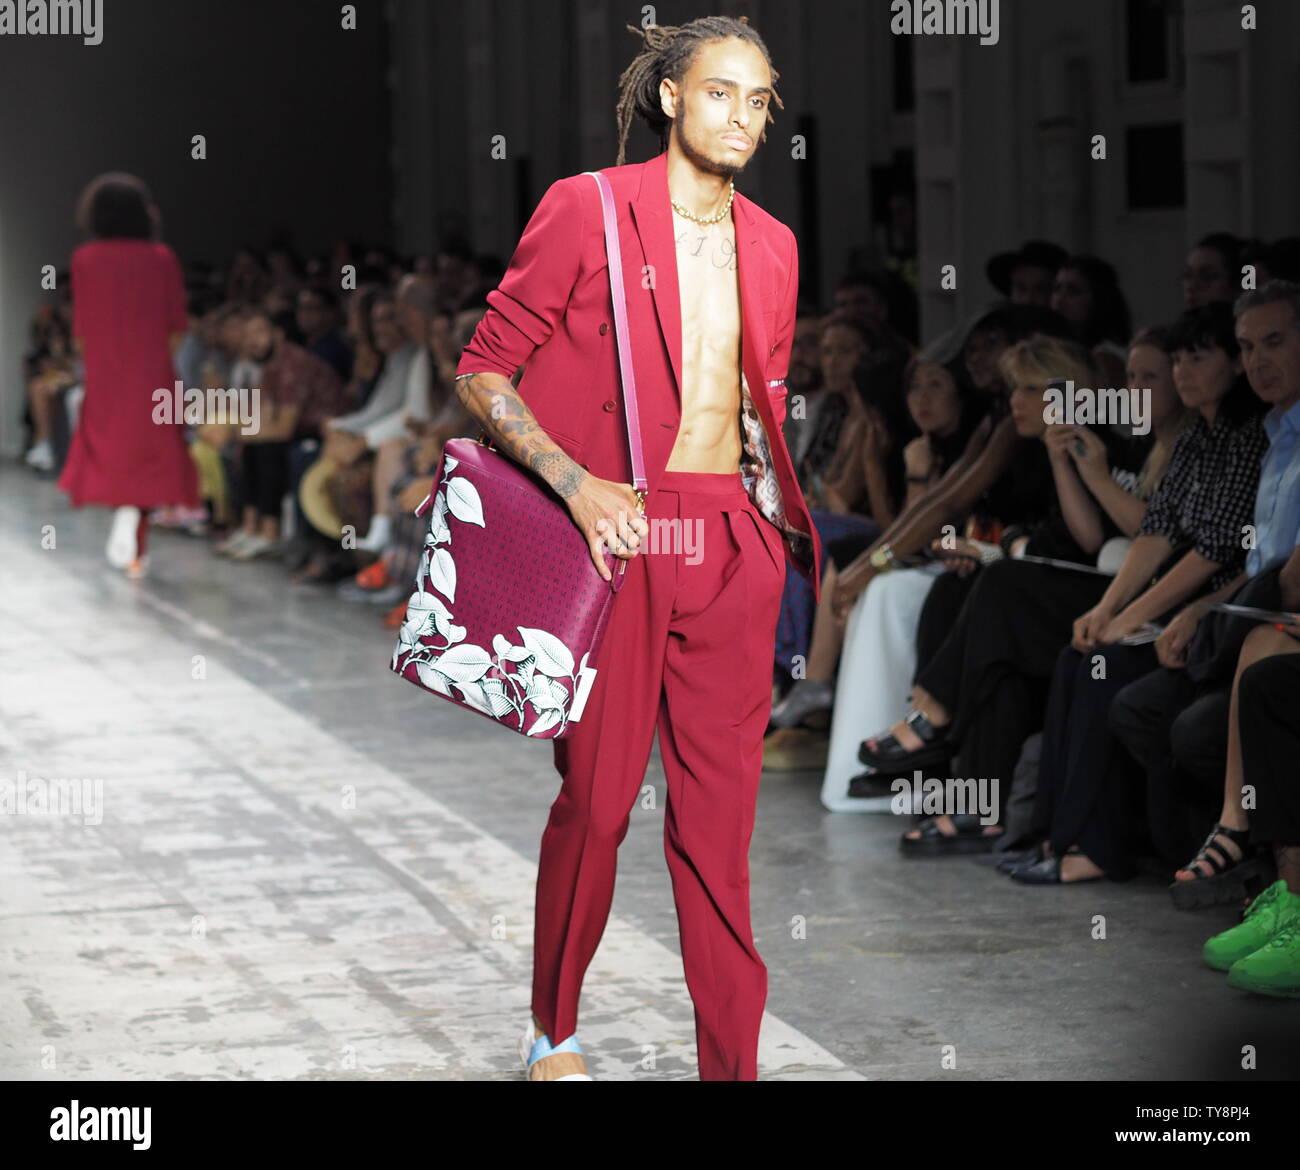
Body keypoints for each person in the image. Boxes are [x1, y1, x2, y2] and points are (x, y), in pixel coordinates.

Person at [449, 16, 818, 1081]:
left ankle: (730, 1069)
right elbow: (483, 369)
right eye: (719, 93)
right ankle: (553, 1028)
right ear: (670, 96)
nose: (741, 117)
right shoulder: (586, 209)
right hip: (614, 538)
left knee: (718, 836)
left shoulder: (776, 247)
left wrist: (763, 529)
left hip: (730, 547)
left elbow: (760, 409)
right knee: (599, 804)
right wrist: (573, 483)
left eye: (758, 100)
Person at [57, 173, 199, 579]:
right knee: (152, 455)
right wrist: (155, 361)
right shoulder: (161, 258)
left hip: (106, 370)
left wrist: (98, 365)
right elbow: (177, 326)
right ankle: (137, 534)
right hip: (153, 370)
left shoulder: (84, 260)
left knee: (111, 449)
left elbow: (82, 329)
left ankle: (127, 519)